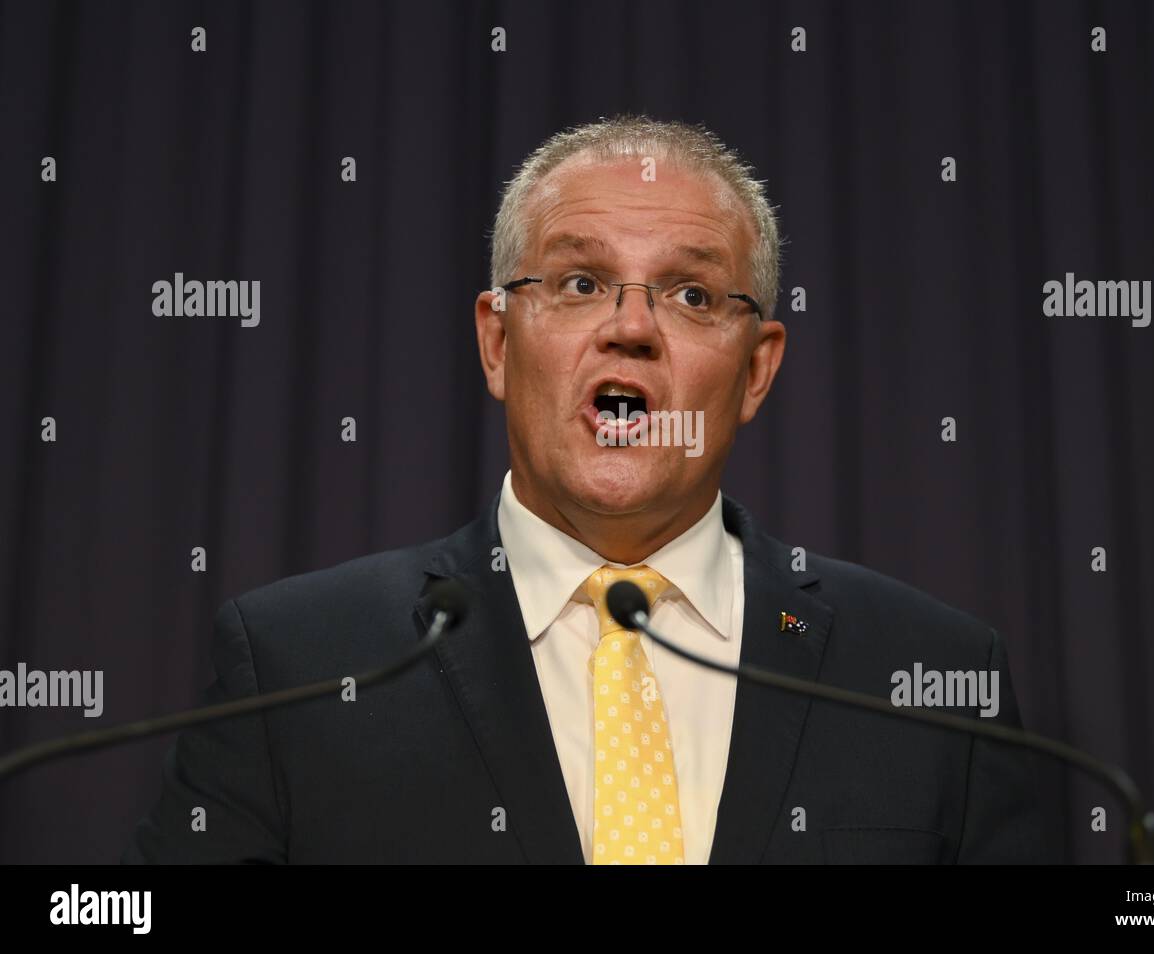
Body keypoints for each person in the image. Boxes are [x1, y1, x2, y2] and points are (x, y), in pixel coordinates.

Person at [124, 115, 1063, 864]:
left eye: (692, 296)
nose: (632, 329)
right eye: (580, 282)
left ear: (756, 370)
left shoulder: (933, 678)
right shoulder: (296, 665)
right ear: (497, 341)